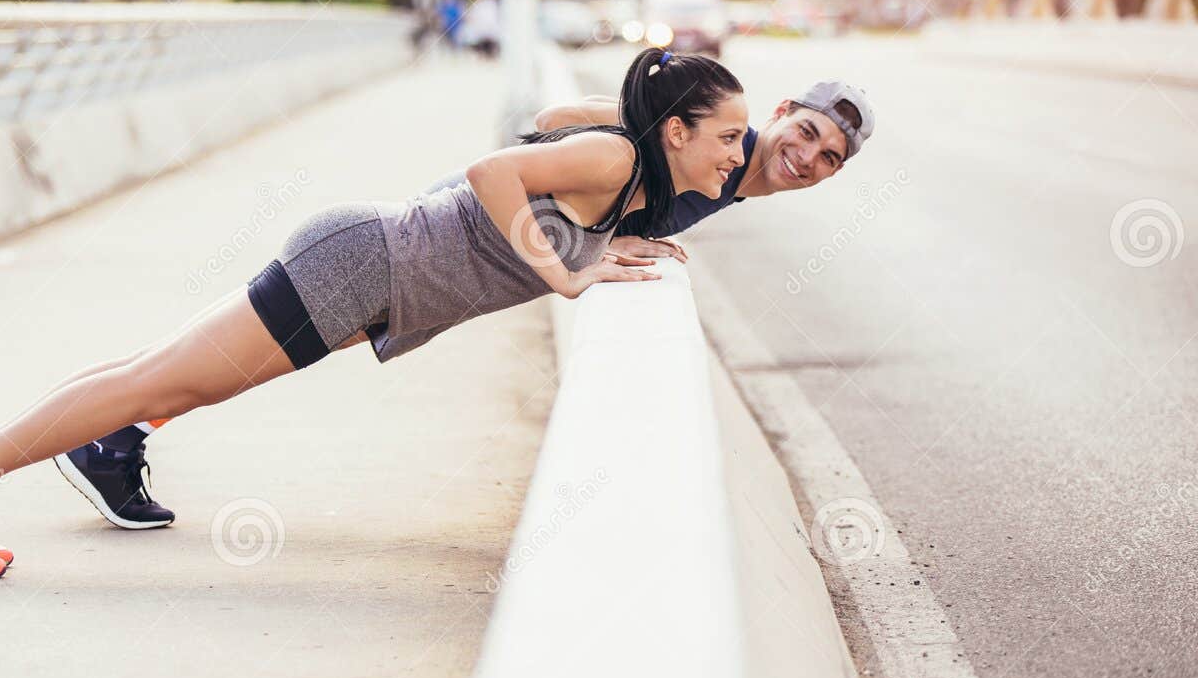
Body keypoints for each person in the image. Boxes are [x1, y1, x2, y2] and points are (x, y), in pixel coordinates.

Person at [0, 48, 750, 579]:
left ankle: (103, 445)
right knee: (154, 376)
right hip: (361, 265)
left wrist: (598, 243)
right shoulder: (613, 160)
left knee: (172, 379)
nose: (736, 154)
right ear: (676, 132)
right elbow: (494, 169)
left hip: (374, 279)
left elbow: (548, 119)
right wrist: (565, 276)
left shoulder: (628, 164)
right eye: (726, 136)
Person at [55, 76, 876, 533]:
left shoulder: (729, 178)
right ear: (780, 113)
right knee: (244, 351)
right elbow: (554, 124)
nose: (805, 156)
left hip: (463, 264)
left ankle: (120, 426)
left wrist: (604, 239)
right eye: (804, 132)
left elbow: (615, 198)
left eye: (828, 157)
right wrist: (569, 250)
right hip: (459, 242)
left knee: (264, 351)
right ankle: (112, 421)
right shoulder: (707, 137)